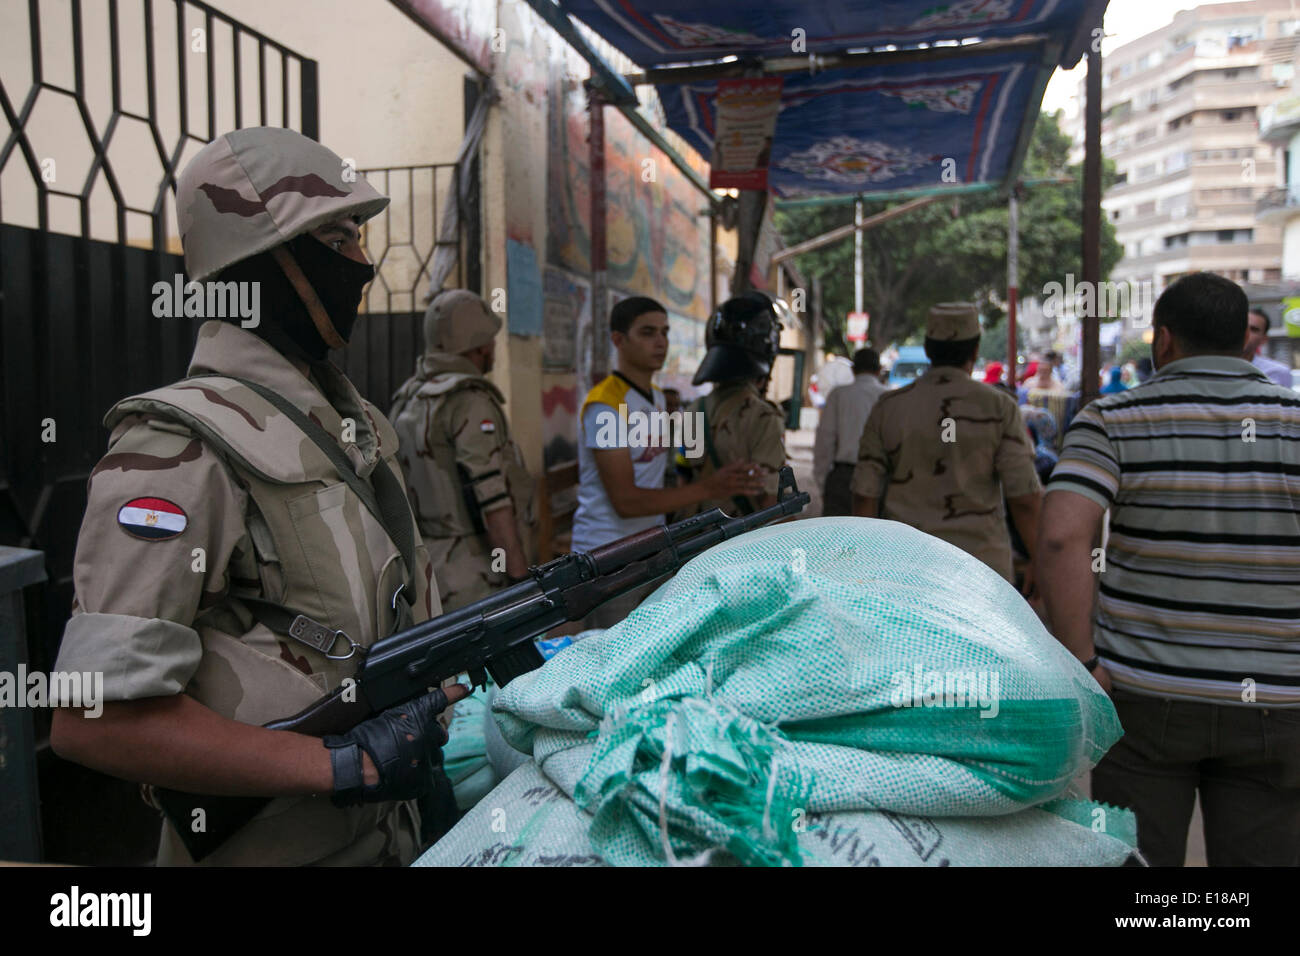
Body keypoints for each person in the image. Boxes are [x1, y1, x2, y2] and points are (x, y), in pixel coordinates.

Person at [45, 127, 468, 866]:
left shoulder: (355, 429)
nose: (362, 263)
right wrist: (342, 767)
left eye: (360, 235)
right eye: (338, 236)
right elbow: (96, 717)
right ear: (260, 261)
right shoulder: (176, 444)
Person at [1038, 272, 1300, 867]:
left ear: (1163, 341)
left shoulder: (1115, 418)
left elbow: (1059, 540)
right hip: (1278, 705)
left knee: (1141, 873)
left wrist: (1084, 663)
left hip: (1144, 697)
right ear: (1245, 340)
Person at [572, 296, 761, 629]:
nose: (661, 342)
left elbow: (676, 457)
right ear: (618, 340)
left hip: (649, 549)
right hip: (607, 559)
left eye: (665, 332)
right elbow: (626, 501)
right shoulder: (606, 406)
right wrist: (710, 487)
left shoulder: (657, 397)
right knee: (616, 660)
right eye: (647, 333)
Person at [852, 302, 1042, 589]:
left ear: (928, 349)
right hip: (982, 573)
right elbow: (1025, 499)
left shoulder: (889, 407)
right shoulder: (999, 406)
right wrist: (1040, 561)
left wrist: (863, 568)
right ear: (975, 350)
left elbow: (865, 494)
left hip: (905, 569)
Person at [389, 289, 534, 611]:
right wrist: (519, 579)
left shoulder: (408, 398)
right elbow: (491, 496)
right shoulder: (470, 400)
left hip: (426, 567)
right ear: (482, 346)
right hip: (476, 573)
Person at [686, 291, 790, 514]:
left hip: (693, 538)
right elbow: (771, 503)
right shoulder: (764, 417)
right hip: (742, 543)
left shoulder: (693, 410)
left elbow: (683, 479)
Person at [814, 347, 888, 516]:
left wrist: (823, 482)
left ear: (853, 370)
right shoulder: (887, 397)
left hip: (843, 479)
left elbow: (825, 441)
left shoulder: (838, 395)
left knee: (837, 536)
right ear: (879, 370)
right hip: (878, 479)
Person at [1246, 307, 1294, 388]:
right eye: (1242, 327)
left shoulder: (1278, 372)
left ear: (1264, 339)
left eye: (1253, 329)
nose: (1246, 333)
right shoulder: (1218, 367)